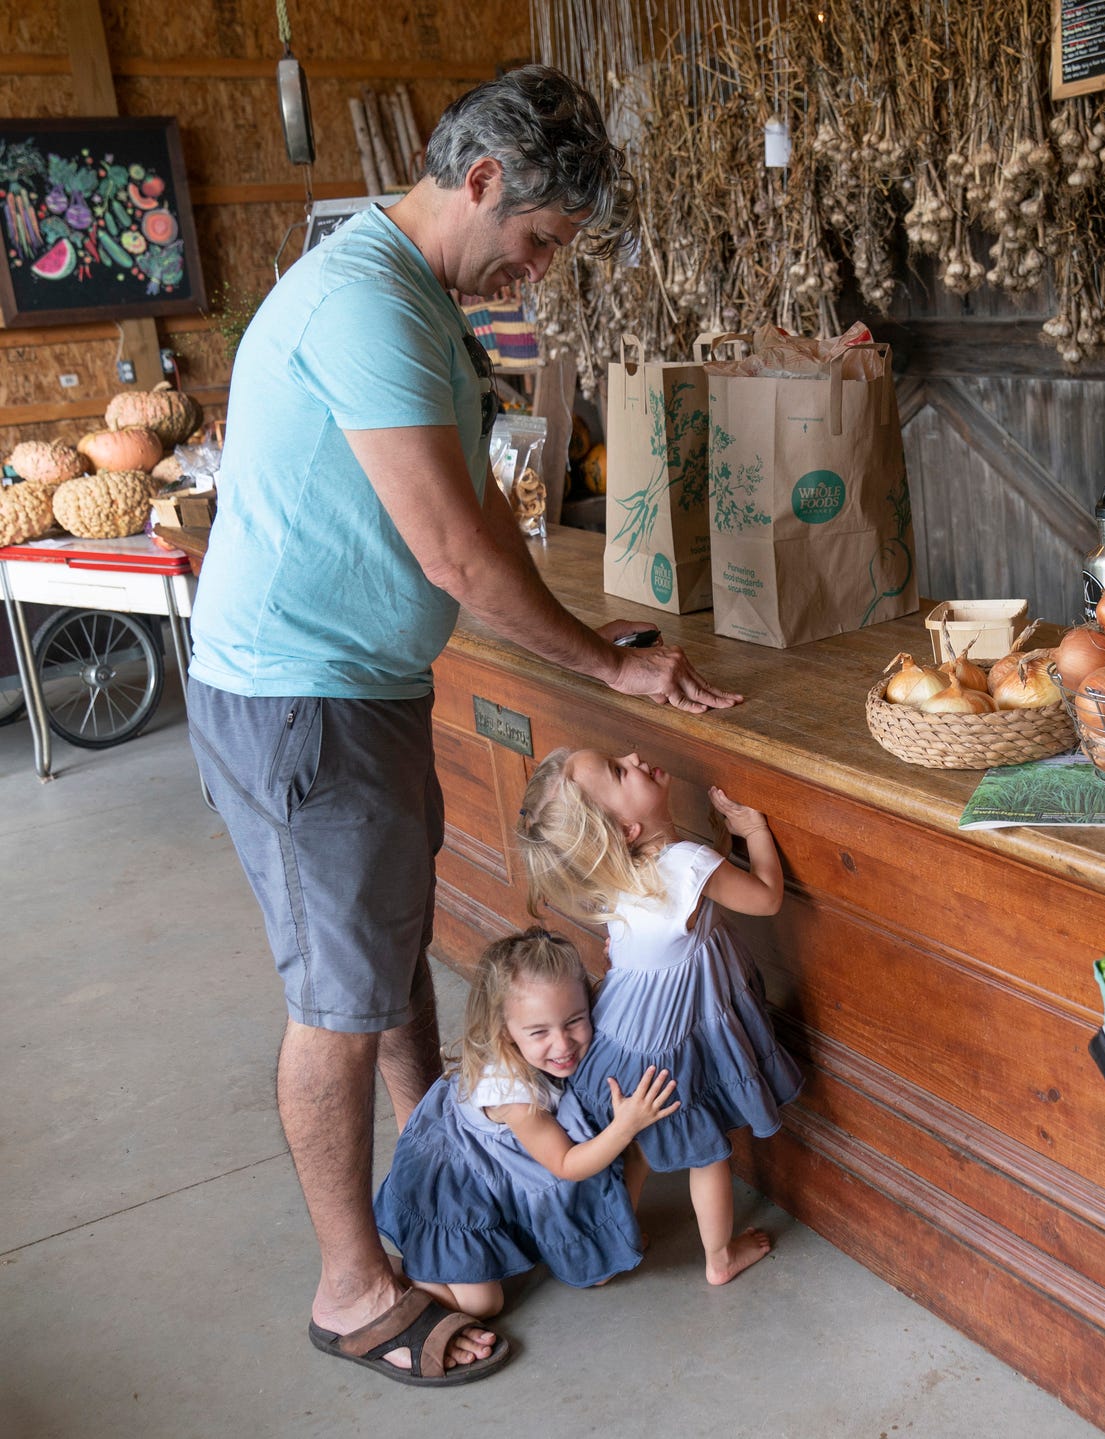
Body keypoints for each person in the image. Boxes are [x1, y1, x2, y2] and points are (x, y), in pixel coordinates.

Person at [186, 66, 739, 1385]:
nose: (534, 273)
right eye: (536, 241)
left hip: (354, 688)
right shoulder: (366, 301)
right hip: (300, 700)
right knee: (337, 998)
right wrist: (603, 675)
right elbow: (450, 551)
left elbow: (487, 518)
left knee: (380, 959)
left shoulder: (415, 304)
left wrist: (599, 641)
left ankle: (444, 1163)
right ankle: (353, 1285)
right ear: (482, 182)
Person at [516, 749, 801, 1287]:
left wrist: (718, 839)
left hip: (620, 1038)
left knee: (637, 1147)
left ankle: (607, 1243)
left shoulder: (618, 872)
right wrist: (752, 829)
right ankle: (719, 1257)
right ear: (626, 827)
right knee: (706, 1151)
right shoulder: (684, 863)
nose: (633, 756)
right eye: (620, 771)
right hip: (668, 1053)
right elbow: (765, 898)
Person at [371, 929, 674, 1330]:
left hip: (500, 1166)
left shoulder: (555, 1027)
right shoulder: (514, 1097)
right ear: (505, 1032)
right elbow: (565, 1164)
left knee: (600, 1265)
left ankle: (616, 1224)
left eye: (575, 1021)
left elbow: (612, 997)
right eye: (539, 1032)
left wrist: (621, 959)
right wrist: (624, 1128)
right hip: (457, 1188)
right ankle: (404, 1276)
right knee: (482, 1304)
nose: (562, 1043)